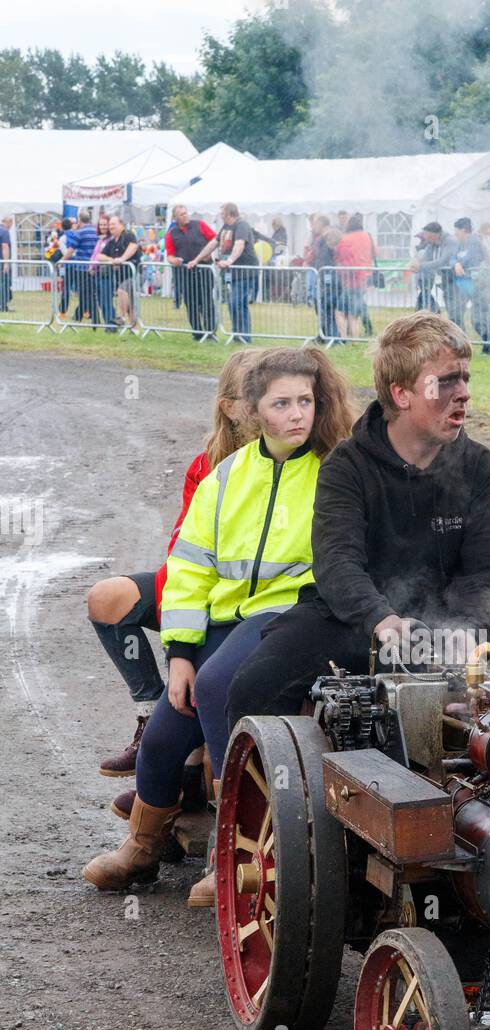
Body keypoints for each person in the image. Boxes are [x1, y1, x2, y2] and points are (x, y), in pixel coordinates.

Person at [84, 347, 356, 904]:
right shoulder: (225, 476)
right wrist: (180, 651)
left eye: (306, 401)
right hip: (218, 622)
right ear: (252, 411)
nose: (298, 414)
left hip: (286, 618)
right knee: (162, 739)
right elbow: (187, 568)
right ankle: (143, 850)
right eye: (282, 403)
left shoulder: (335, 472)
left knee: (215, 689)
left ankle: (228, 857)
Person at [226, 312, 490, 740]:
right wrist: (382, 620)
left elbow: (487, 574)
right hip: (353, 623)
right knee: (252, 688)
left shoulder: (479, 467)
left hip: (445, 628)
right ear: (401, 394)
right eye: (447, 381)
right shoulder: (348, 465)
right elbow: (338, 562)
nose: (465, 394)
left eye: (465, 379)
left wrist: (459, 633)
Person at [87, 351, 261, 800]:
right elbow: (182, 555)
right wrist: (185, 627)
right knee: (107, 598)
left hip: (250, 609)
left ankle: (183, 775)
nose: (266, 406)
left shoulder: (299, 463)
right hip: (199, 597)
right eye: (254, 395)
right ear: (229, 406)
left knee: (210, 667)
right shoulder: (207, 465)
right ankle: (150, 716)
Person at [197, 203, 258, 344]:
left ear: (230, 213)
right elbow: (213, 243)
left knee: (237, 302)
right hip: (234, 271)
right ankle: (238, 335)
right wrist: (197, 259)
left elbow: (240, 244)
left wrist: (229, 260)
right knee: (234, 303)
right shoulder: (226, 227)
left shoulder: (241, 225)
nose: (220, 215)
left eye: (222, 213)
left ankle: (244, 336)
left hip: (246, 270)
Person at [165, 204, 218, 341]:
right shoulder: (171, 234)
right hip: (185, 273)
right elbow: (169, 255)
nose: (185, 215)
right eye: (181, 214)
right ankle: (197, 332)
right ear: (175, 217)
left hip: (204, 269)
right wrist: (174, 260)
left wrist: (208, 253)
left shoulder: (200, 225)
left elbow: (215, 239)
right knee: (191, 303)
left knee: (207, 302)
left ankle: (210, 333)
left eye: (185, 212)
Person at [452, 216, 490, 353]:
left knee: (479, 318)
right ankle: (487, 347)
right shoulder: (460, 243)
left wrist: (459, 263)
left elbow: (471, 261)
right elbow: (452, 257)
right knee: (463, 314)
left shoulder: (475, 242)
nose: (455, 234)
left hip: (484, 285)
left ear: (465, 230)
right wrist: (455, 263)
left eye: (457, 232)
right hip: (471, 285)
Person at [334, 212, 377, 340]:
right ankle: (358, 336)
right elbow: (375, 252)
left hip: (350, 279)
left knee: (340, 312)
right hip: (365, 277)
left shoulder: (345, 239)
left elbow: (340, 257)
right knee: (355, 311)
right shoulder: (367, 236)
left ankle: (346, 338)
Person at [96, 215, 141, 333]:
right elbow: (100, 256)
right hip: (121, 275)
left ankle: (121, 318)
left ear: (121, 225)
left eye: (113, 224)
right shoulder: (111, 242)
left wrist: (122, 259)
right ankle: (135, 329)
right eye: (110, 225)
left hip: (133, 273)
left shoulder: (128, 235)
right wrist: (112, 260)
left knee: (121, 291)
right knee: (129, 303)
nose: (111, 227)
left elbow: (133, 246)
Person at [60, 211, 99, 324]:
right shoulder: (95, 231)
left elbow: (70, 250)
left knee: (83, 293)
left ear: (79, 220)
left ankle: (80, 316)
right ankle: (82, 315)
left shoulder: (79, 233)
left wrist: (62, 261)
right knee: (90, 293)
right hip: (94, 266)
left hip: (82, 267)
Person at [410, 222, 458, 314]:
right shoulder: (431, 244)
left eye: (426, 235)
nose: (424, 238)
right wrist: (415, 264)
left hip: (456, 280)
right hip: (446, 281)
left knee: (455, 313)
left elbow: (442, 261)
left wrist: (420, 266)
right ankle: (434, 312)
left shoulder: (449, 241)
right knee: (453, 313)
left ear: (434, 235)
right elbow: (424, 260)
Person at [0, 215, 13, 311]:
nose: (11, 225)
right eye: (11, 223)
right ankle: (3, 305)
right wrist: (6, 263)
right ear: (7, 222)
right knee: (5, 283)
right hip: (2, 262)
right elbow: (5, 246)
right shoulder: (4, 231)